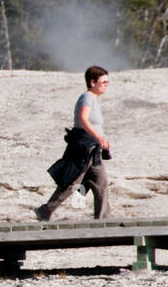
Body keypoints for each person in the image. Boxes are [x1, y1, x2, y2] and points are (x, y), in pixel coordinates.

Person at [35, 66, 111, 221]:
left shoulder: (94, 99)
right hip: (83, 149)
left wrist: (102, 138)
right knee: (71, 183)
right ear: (92, 82)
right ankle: (45, 211)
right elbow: (83, 120)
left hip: (93, 151)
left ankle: (103, 220)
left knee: (101, 184)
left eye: (107, 82)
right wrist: (98, 136)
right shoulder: (87, 98)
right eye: (103, 81)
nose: (106, 84)